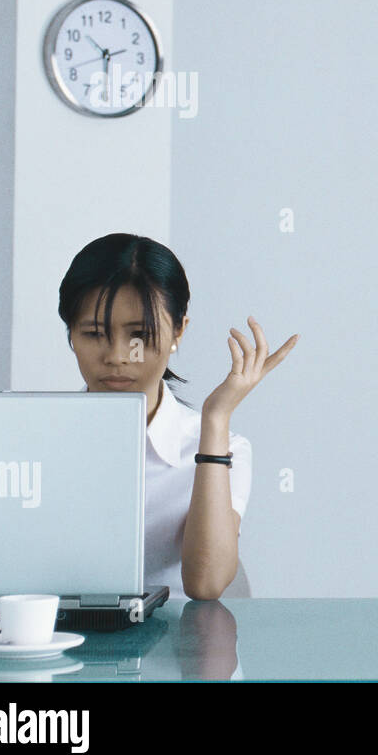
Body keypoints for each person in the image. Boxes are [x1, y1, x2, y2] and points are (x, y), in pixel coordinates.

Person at [58, 234, 298, 600]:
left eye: (140, 334)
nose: (119, 356)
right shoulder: (38, 440)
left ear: (178, 331)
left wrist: (215, 419)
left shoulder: (221, 447)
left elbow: (206, 584)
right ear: (72, 335)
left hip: (172, 651)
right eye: (94, 334)